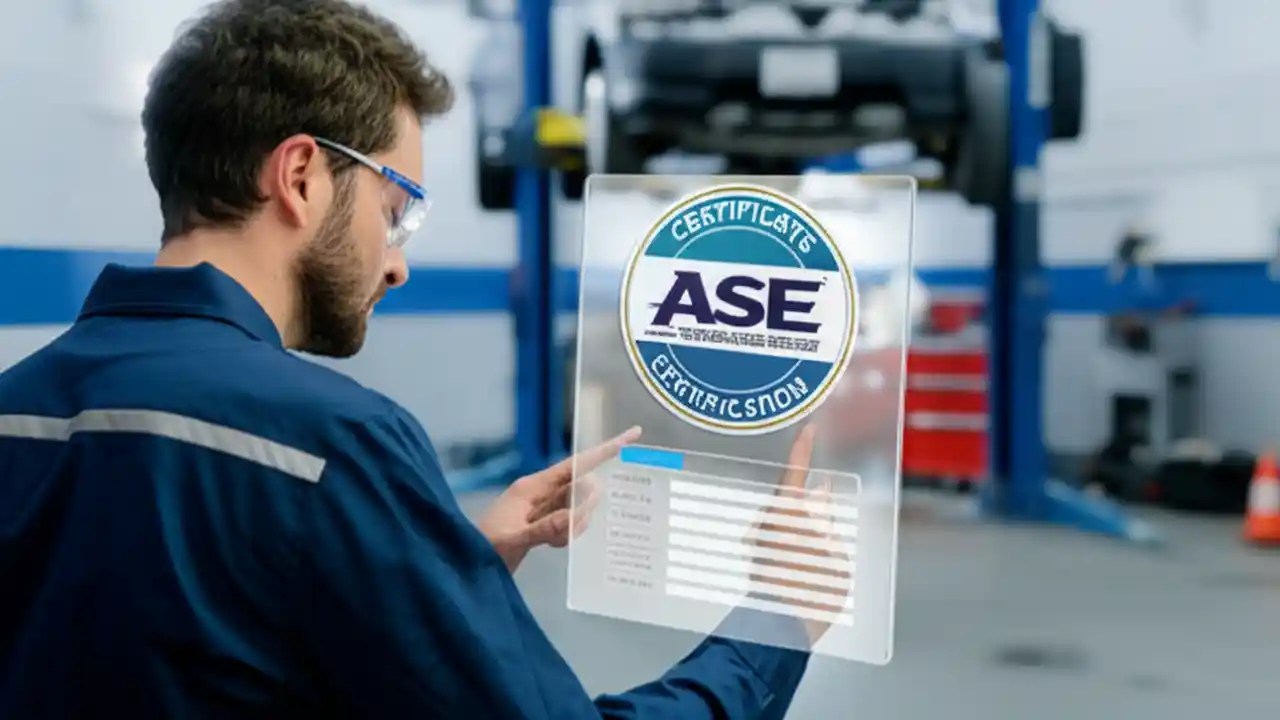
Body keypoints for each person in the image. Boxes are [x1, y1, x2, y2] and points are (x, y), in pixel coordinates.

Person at [0, 1, 842, 717]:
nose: (397, 261)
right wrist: (772, 622)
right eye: (396, 207)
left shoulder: (17, 407)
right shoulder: (334, 441)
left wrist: (435, 569)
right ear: (300, 176)